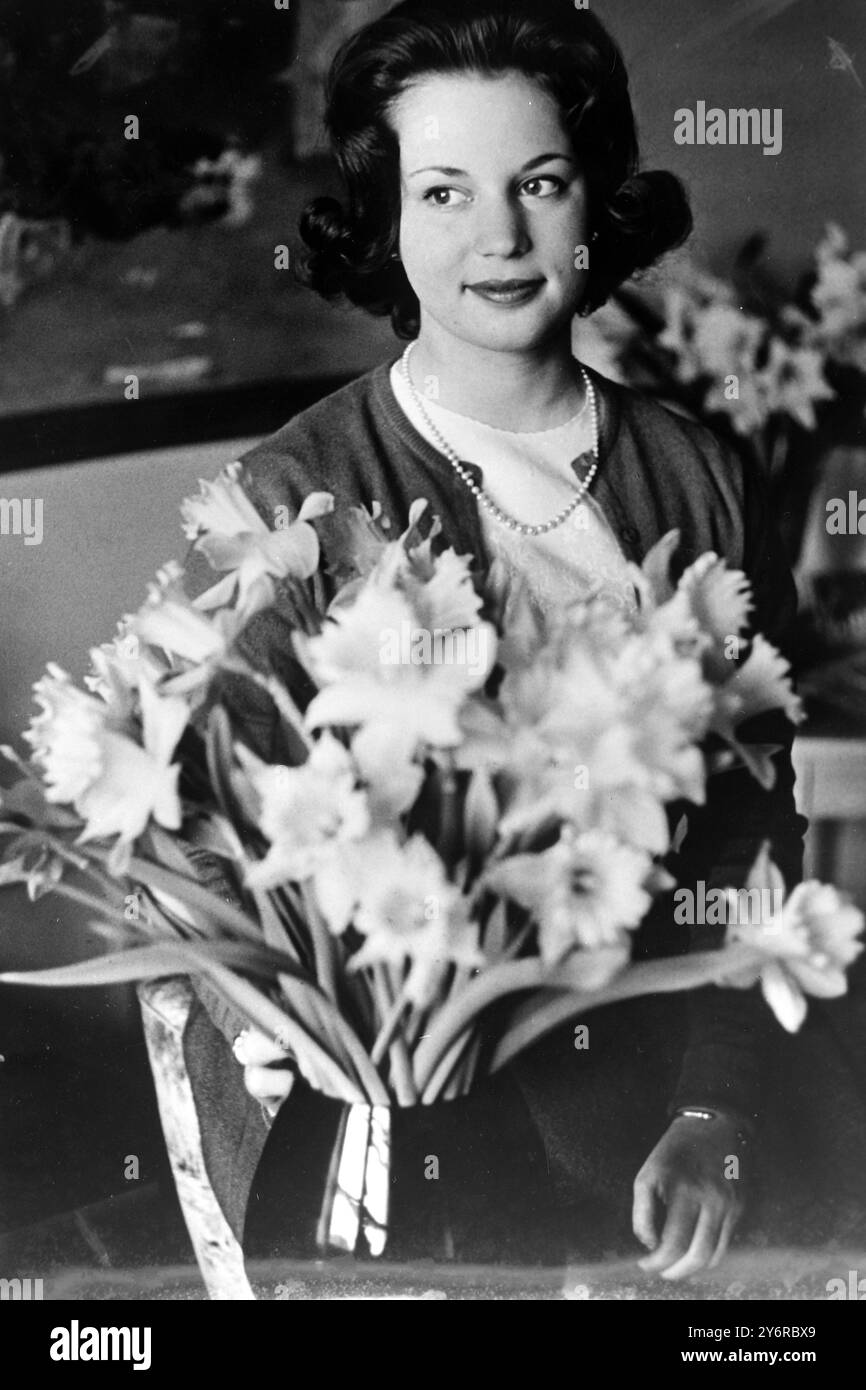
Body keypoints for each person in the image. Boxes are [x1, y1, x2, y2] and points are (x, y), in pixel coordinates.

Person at [181, 0, 807, 1280]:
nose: (501, 236)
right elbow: (222, 841)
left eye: (540, 182)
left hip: (626, 1126)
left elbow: (752, 825)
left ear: (595, 204)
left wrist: (715, 1105)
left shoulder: (697, 474)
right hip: (359, 1139)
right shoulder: (294, 490)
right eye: (444, 192)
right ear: (387, 220)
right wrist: (275, 1018)